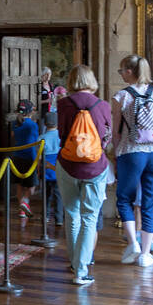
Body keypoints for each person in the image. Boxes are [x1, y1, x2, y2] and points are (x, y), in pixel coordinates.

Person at [56, 65, 112, 286]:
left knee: (71, 214)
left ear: (71, 81)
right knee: (90, 217)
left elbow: (61, 134)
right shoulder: (103, 106)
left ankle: (73, 261)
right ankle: (81, 270)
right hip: (95, 167)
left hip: (68, 165)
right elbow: (106, 138)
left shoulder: (62, 104)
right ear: (92, 80)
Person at [111, 54, 153, 268]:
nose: (121, 75)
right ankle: (145, 255)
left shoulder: (121, 97)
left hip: (131, 152)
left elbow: (116, 132)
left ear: (129, 71)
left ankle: (133, 243)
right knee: (151, 203)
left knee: (124, 199)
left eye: (121, 71)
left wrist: (116, 154)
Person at [11, 99, 40, 219]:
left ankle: (21, 210)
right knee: (32, 185)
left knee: (19, 184)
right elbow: (36, 141)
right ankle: (24, 200)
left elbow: (13, 136)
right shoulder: (33, 125)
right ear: (31, 111)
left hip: (17, 155)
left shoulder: (15, 123)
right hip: (30, 156)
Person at [40, 110, 61, 227]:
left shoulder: (41, 137)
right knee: (59, 195)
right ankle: (59, 219)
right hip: (58, 168)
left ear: (45, 124)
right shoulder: (60, 136)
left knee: (46, 195)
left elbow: (38, 157)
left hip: (46, 169)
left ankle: (46, 216)